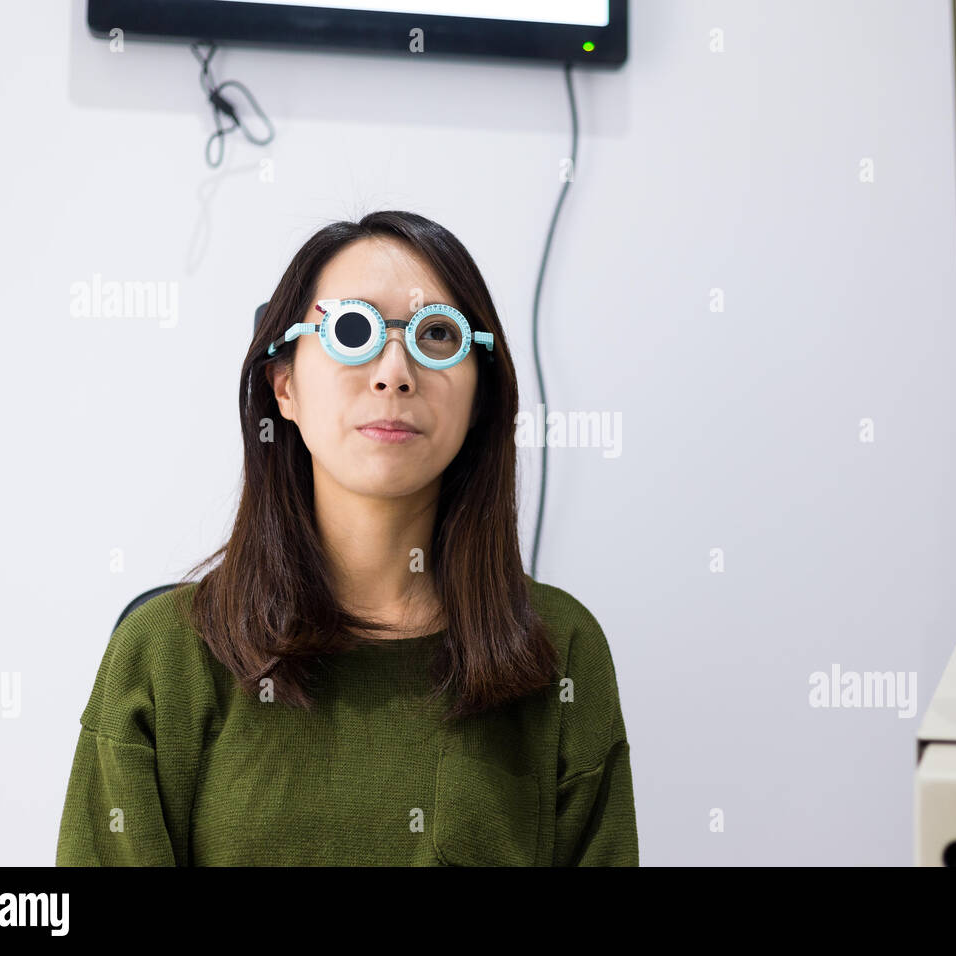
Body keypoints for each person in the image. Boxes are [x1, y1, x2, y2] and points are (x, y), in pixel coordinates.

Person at [55, 211, 637, 866]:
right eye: (351, 331)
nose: (394, 372)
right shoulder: (165, 657)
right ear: (285, 386)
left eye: (436, 335)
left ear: (480, 398)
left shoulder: (559, 650)